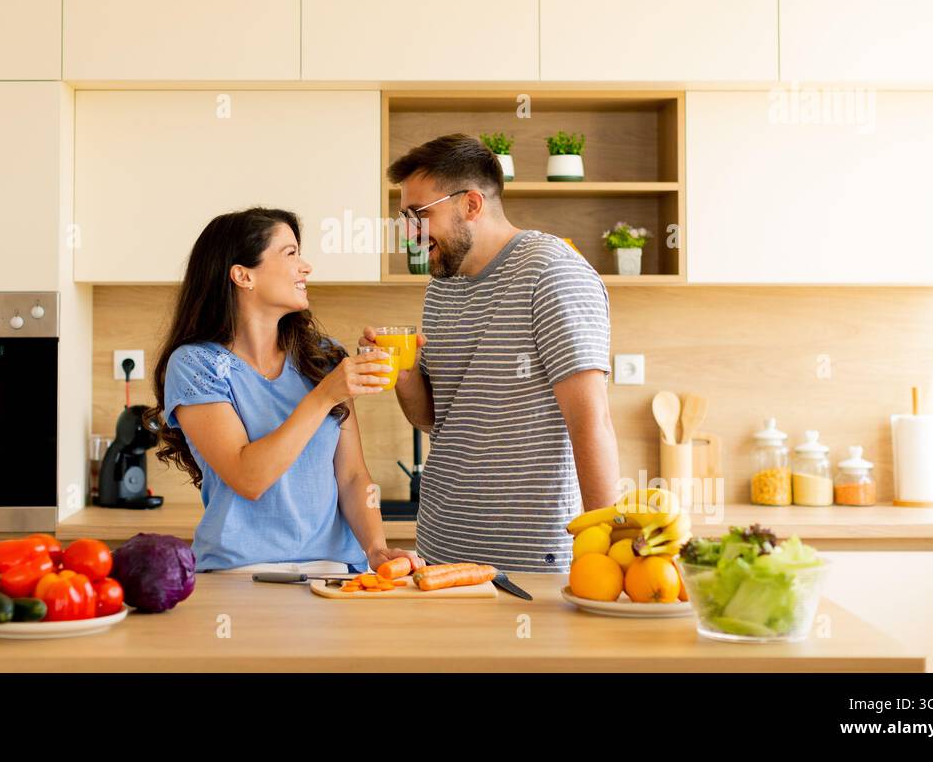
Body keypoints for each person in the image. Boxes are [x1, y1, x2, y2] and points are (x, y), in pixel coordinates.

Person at [365, 134, 621, 573]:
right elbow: (432, 418)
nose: (410, 232)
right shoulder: (442, 287)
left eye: (419, 215)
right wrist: (403, 373)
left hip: (530, 556)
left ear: (471, 204)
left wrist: (612, 550)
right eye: (404, 217)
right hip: (441, 550)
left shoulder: (551, 271)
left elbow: (590, 419)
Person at [151, 207, 421, 575]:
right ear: (243, 275)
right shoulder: (196, 365)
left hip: (335, 574)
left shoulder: (322, 358)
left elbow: (353, 476)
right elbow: (249, 478)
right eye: (290, 253)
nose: (305, 266)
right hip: (240, 574)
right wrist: (325, 395)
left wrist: (376, 548)